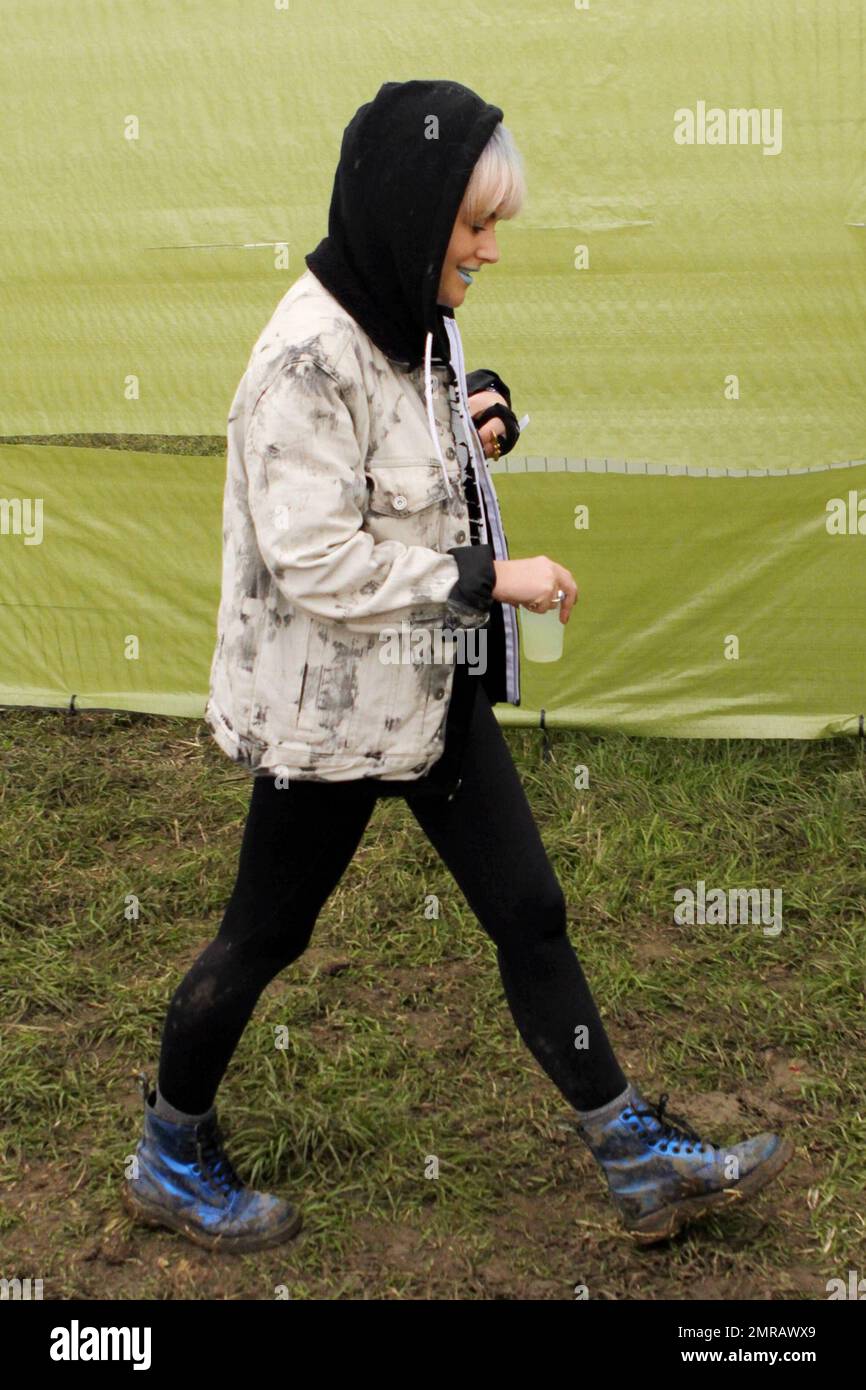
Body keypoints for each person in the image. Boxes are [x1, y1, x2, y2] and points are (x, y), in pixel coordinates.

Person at [123, 79, 793, 1254]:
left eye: (495, 225)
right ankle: (168, 1152)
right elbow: (316, 560)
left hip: (426, 686)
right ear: (406, 210)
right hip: (329, 718)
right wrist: (491, 576)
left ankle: (632, 1158)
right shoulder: (300, 363)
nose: (488, 250)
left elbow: (399, 461)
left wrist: (472, 418)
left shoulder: (408, 314)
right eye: (473, 226)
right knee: (261, 937)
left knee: (529, 910)